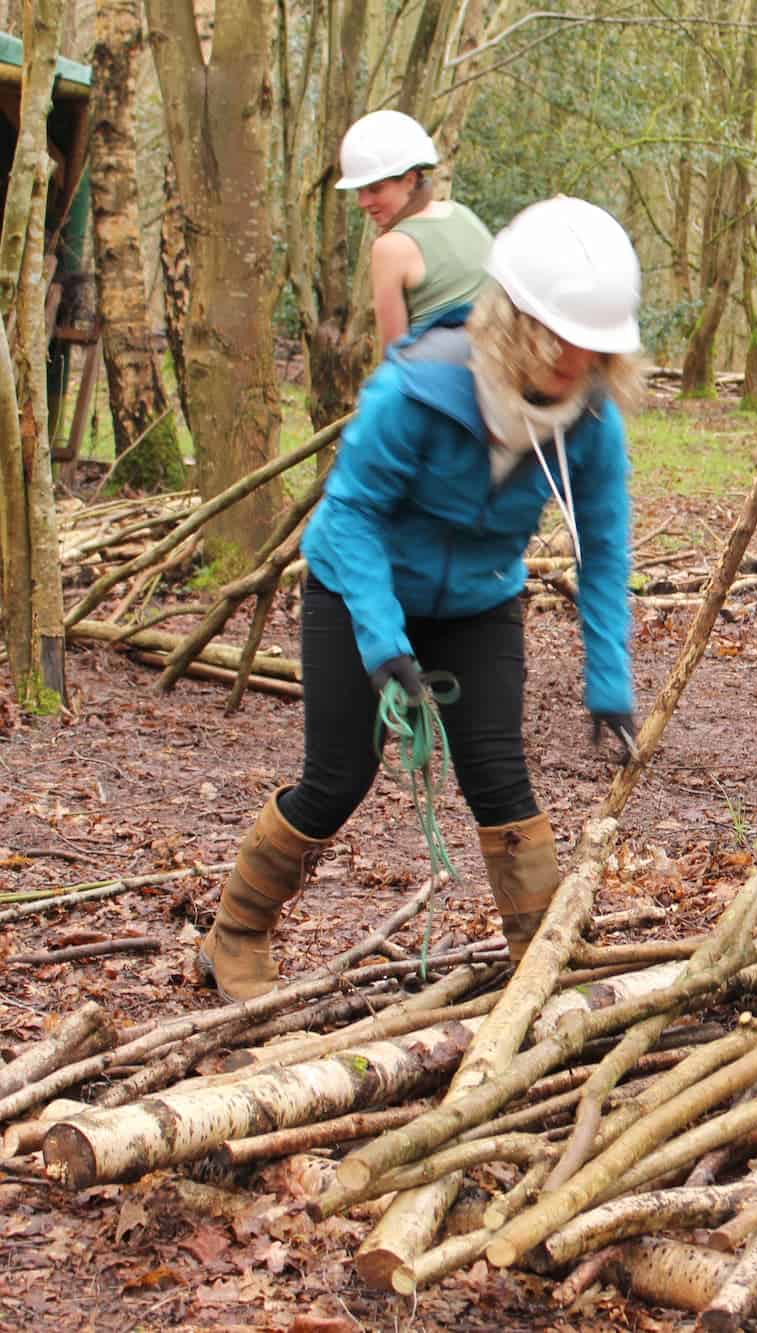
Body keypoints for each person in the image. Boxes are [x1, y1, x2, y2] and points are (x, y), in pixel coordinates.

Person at [196, 197, 646, 1002]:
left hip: (479, 600)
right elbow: (356, 512)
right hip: (358, 586)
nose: (578, 364)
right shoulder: (416, 390)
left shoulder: (592, 423)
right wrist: (384, 645)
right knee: (336, 779)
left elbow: (604, 548)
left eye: (595, 350)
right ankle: (236, 932)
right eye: (563, 344)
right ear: (517, 324)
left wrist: (609, 680)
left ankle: (540, 968)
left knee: (501, 780)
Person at [335, 109, 494, 351]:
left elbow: (396, 357)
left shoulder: (390, 247)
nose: (363, 202)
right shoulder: (462, 214)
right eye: (360, 191)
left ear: (410, 180)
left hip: (442, 377)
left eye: (375, 189)